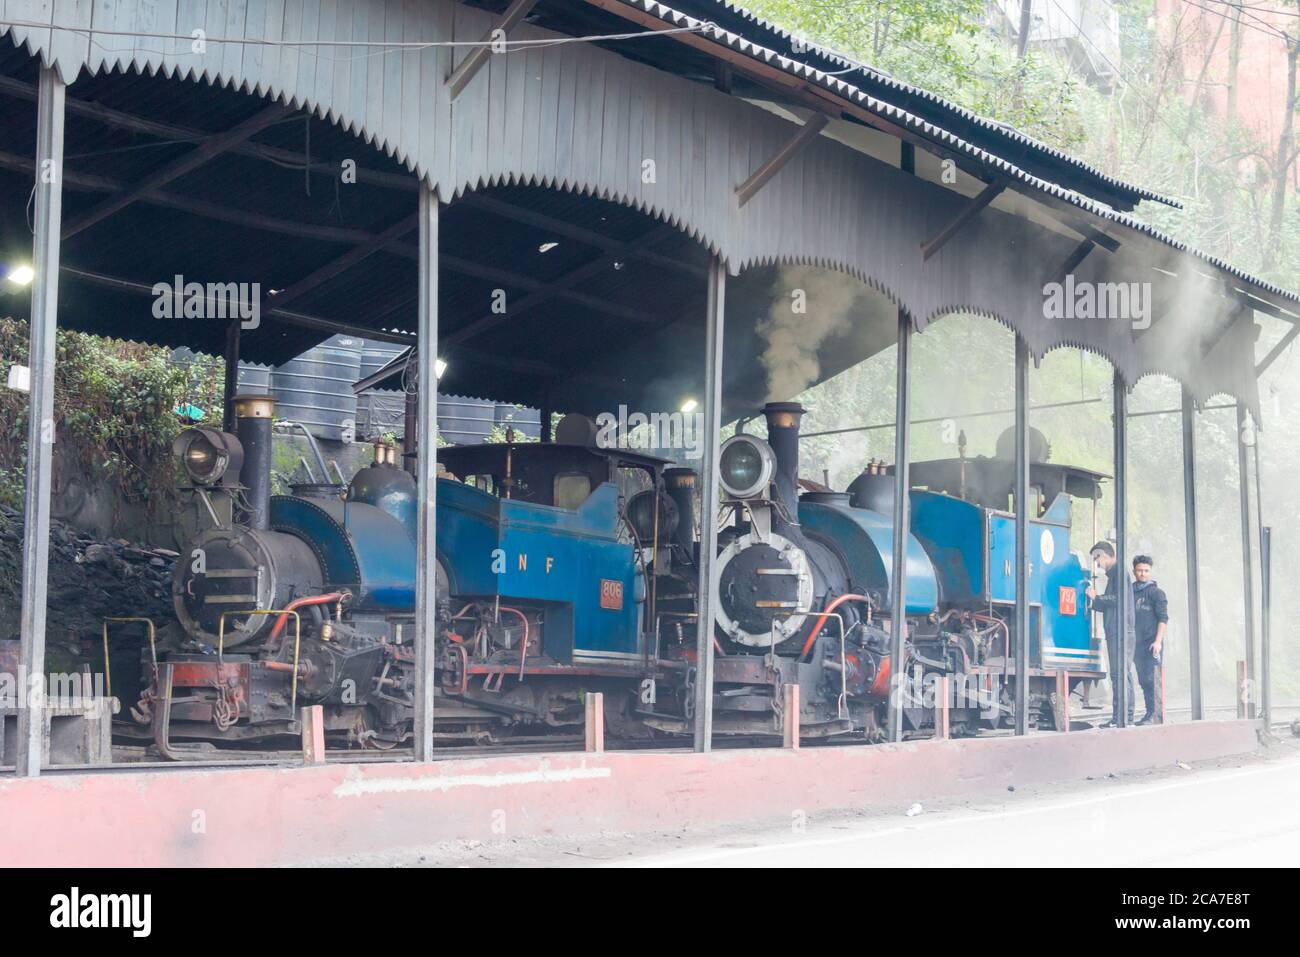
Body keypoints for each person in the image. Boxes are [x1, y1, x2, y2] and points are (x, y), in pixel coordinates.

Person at [1085, 541, 1135, 727]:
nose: (1097, 564)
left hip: (1121, 631)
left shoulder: (1119, 573)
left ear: (1103, 555)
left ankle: (1125, 718)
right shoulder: (1116, 574)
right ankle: (1121, 717)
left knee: (1121, 674)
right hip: (1117, 630)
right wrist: (1096, 600)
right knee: (1119, 674)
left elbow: (1117, 599)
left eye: (1096, 559)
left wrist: (1096, 598)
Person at [1130, 555, 1168, 725]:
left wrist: (1158, 641)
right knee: (1143, 680)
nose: (1143, 574)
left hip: (1152, 644)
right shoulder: (1129, 591)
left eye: (1146, 571)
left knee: (1153, 679)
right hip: (1136, 644)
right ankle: (1149, 713)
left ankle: (1156, 714)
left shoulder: (1156, 593)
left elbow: (1163, 618)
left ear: (1150, 572)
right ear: (1134, 572)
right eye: (1139, 570)